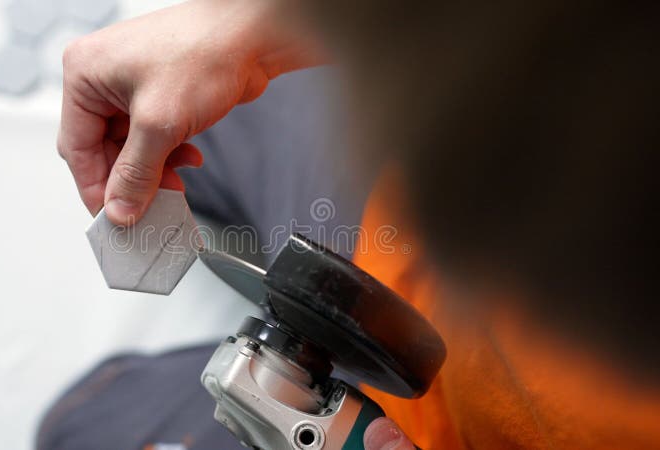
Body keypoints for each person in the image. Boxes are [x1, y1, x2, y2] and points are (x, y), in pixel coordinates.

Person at [56, 0, 659, 448]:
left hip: (418, 413)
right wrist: (261, 30)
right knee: (189, 115)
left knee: (84, 425)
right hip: (401, 199)